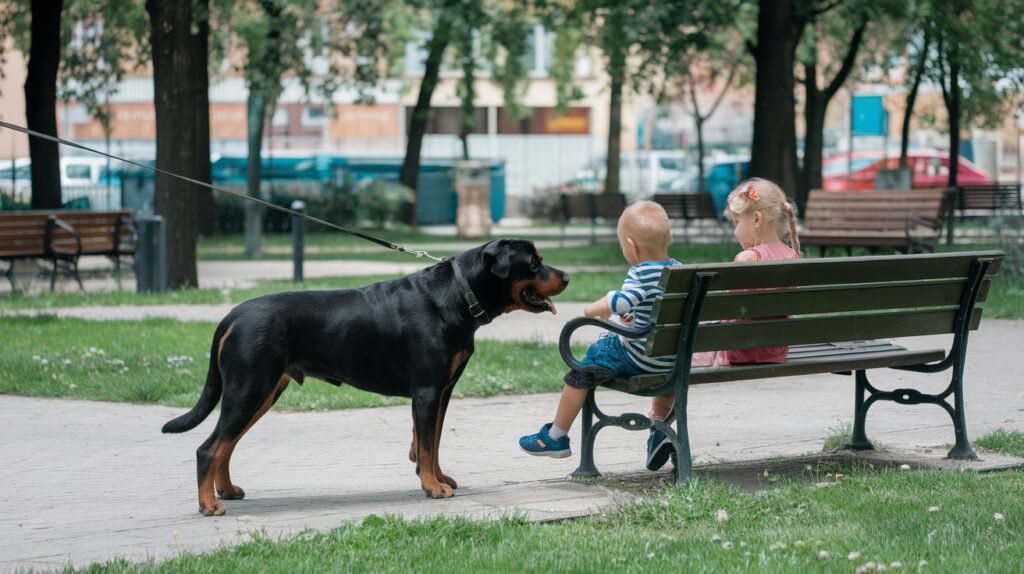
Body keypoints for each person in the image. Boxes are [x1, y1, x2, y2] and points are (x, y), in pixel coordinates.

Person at [645, 177, 801, 471]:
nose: (734, 230)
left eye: (736, 222)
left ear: (755, 219)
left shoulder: (747, 258)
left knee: (670, 356)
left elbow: (731, 309)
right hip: (775, 350)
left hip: (737, 352)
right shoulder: (792, 255)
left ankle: (658, 427)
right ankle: (661, 427)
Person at [519, 200, 679, 458]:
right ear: (669, 237)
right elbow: (654, 308)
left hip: (637, 358)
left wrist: (596, 308)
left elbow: (621, 301)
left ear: (631, 247)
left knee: (584, 367)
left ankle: (556, 436)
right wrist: (632, 316)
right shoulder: (680, 271)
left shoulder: (640, 273)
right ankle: (659, 429)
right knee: (633, 345)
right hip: (670, 362)